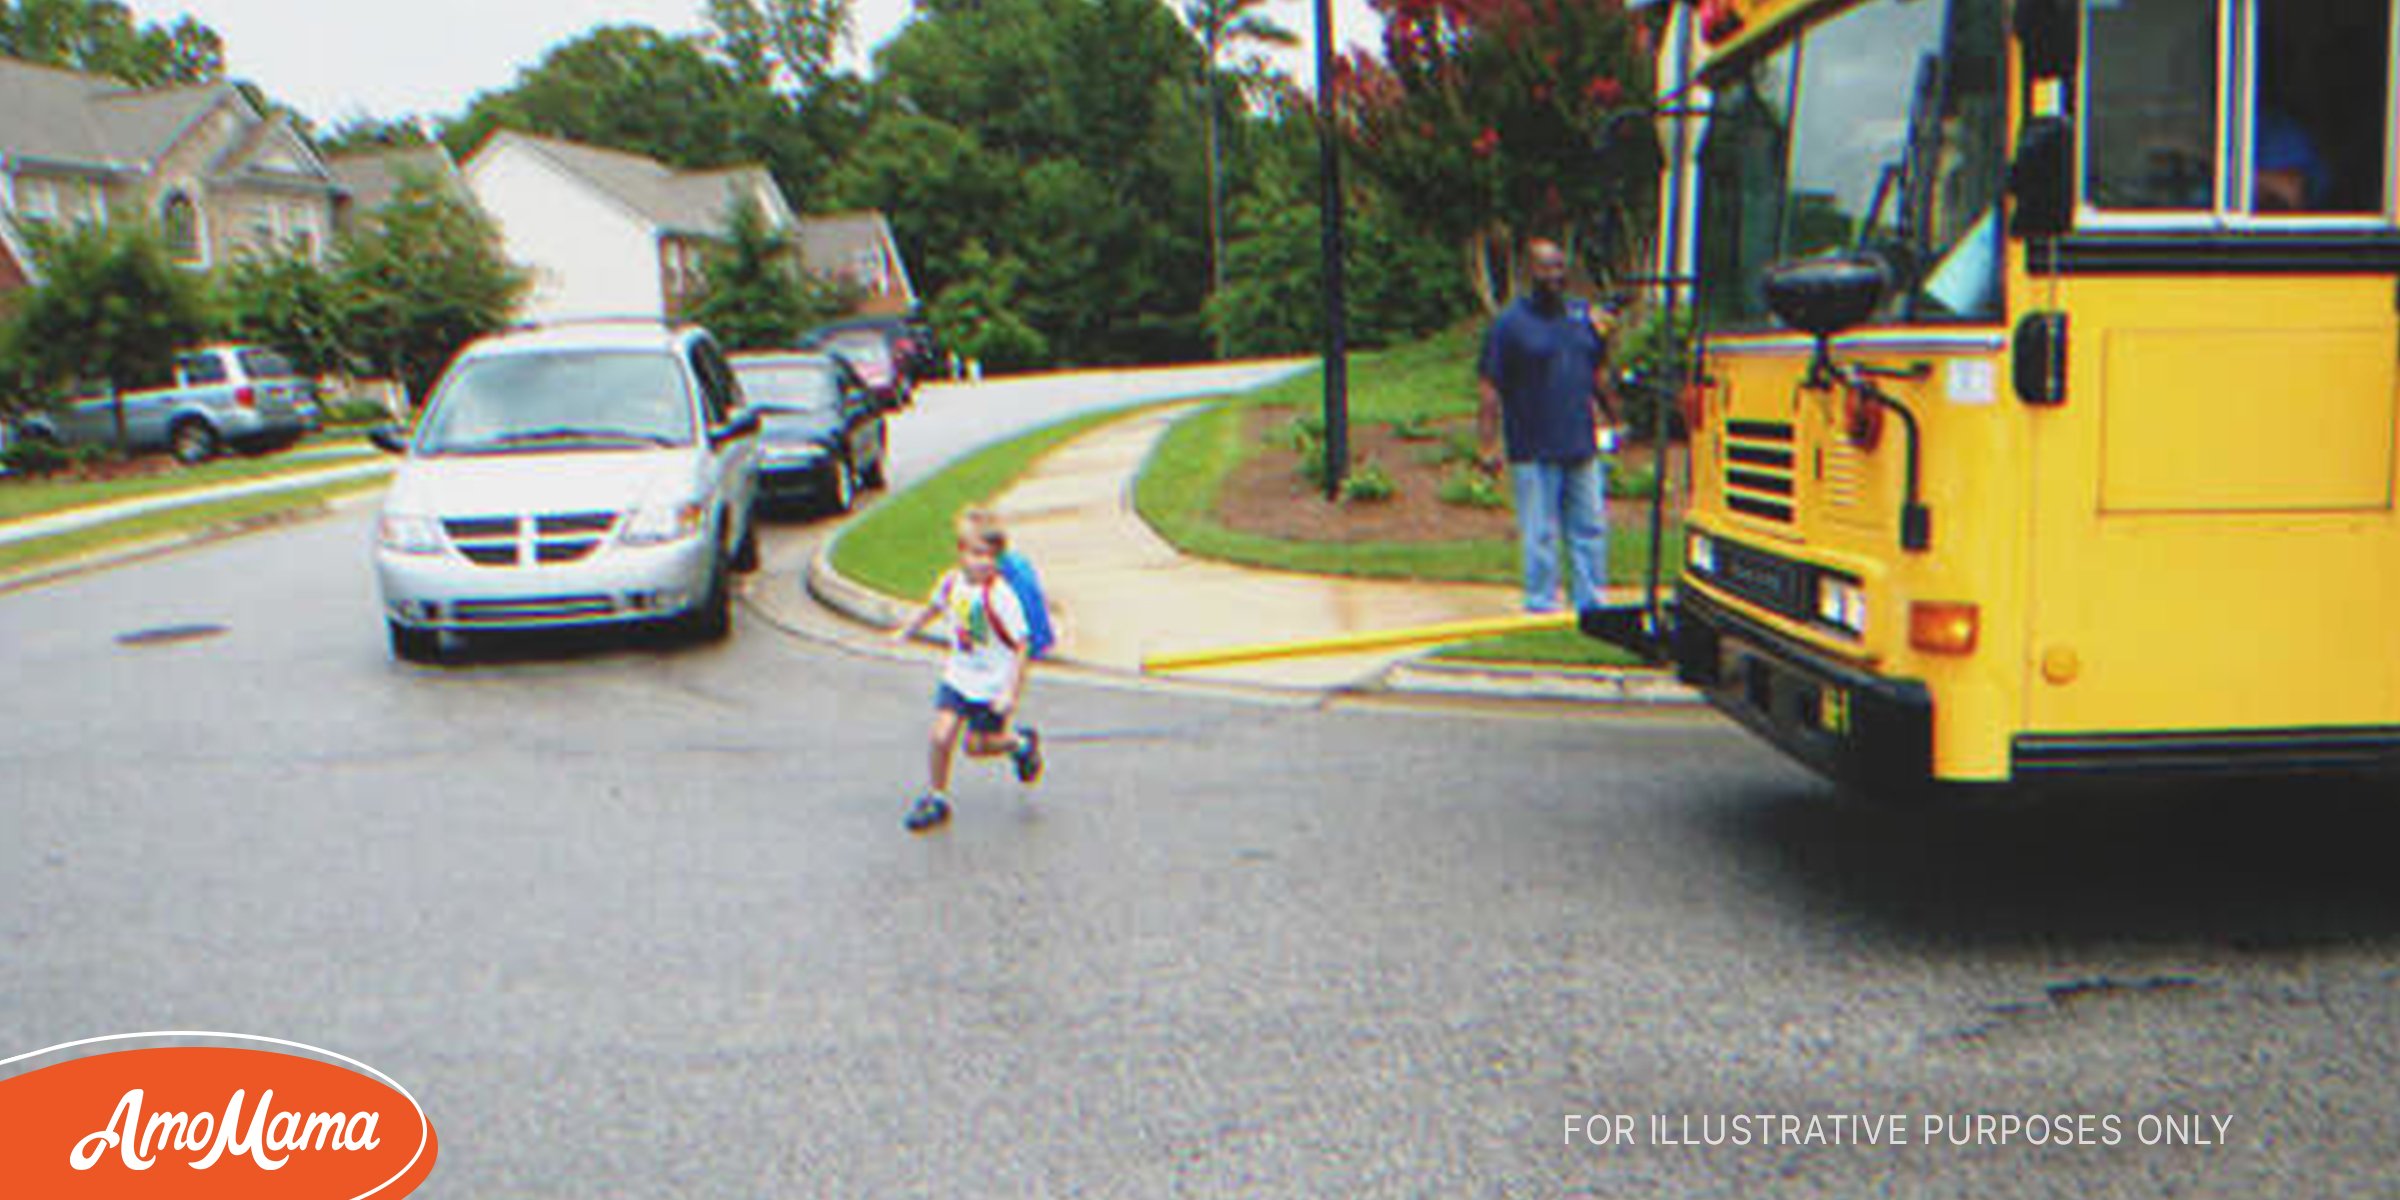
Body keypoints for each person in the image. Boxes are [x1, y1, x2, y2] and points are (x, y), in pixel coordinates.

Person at [1476, 239, 1623, 614]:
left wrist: (1616, 418)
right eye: (1546, 268)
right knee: (1540, 533)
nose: (1555, 276)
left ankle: (1591, 603)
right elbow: (1490, 387)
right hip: (1533, 446)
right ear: (1529, 273)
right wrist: (1488, 446)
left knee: (1589, 528)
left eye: (1560, 267)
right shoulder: (1509, 325)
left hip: (1580, 443)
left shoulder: (1581, 317)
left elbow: (1598, 372)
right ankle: (1541, 603)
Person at [890, 509, 1044, 832]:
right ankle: (937, 797)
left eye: (990, 556)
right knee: (941, 734)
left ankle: (1019, 744)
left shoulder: (1001, 596)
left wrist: (1009, 693)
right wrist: (908, 629)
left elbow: (1022, 645)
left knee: (977, 746)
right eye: (975, 554)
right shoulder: (952, 583)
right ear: (961, 552)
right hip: (959, 675)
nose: (982, 562)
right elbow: (934, 606)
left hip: (991, 684)